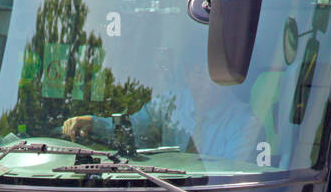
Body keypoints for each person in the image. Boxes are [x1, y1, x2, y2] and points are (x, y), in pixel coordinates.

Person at [61, 63, 261, 163]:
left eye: (216, 74)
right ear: (187, 75)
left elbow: (230, 182)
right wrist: (92, 123)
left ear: (229, 77)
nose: (207, 85)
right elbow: (133, 127)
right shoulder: (171, 103)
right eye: (200, 73)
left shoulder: (246, 123)